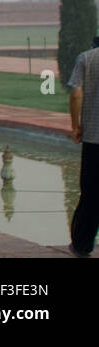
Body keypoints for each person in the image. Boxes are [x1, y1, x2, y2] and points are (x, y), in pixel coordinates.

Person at [67, 35, 99, 257]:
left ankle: (82, 243)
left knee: (90, 192)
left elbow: (76, 94)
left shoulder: (87, 58)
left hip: (94, 138)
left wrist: (75, 125)